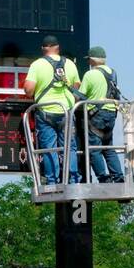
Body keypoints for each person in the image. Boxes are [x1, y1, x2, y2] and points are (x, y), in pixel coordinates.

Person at [23, 34, 81, 185]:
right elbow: (76, 87)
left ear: (43, 49)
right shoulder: (70, 64)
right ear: (58, 48)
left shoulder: (37, 65)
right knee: (70, 147)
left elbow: (28, 90)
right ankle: (73, 179)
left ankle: (52, 180)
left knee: (50, 149)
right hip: (67, 112)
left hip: (45, 111)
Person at [80, 46, 125, 183]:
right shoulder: (113, 73)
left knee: (94, 149)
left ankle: (103, 178)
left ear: (92, 60)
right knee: (108, 147)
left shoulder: (90, 74)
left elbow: (81, 96)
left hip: (96, 115)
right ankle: (118, 177)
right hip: (111, 113)